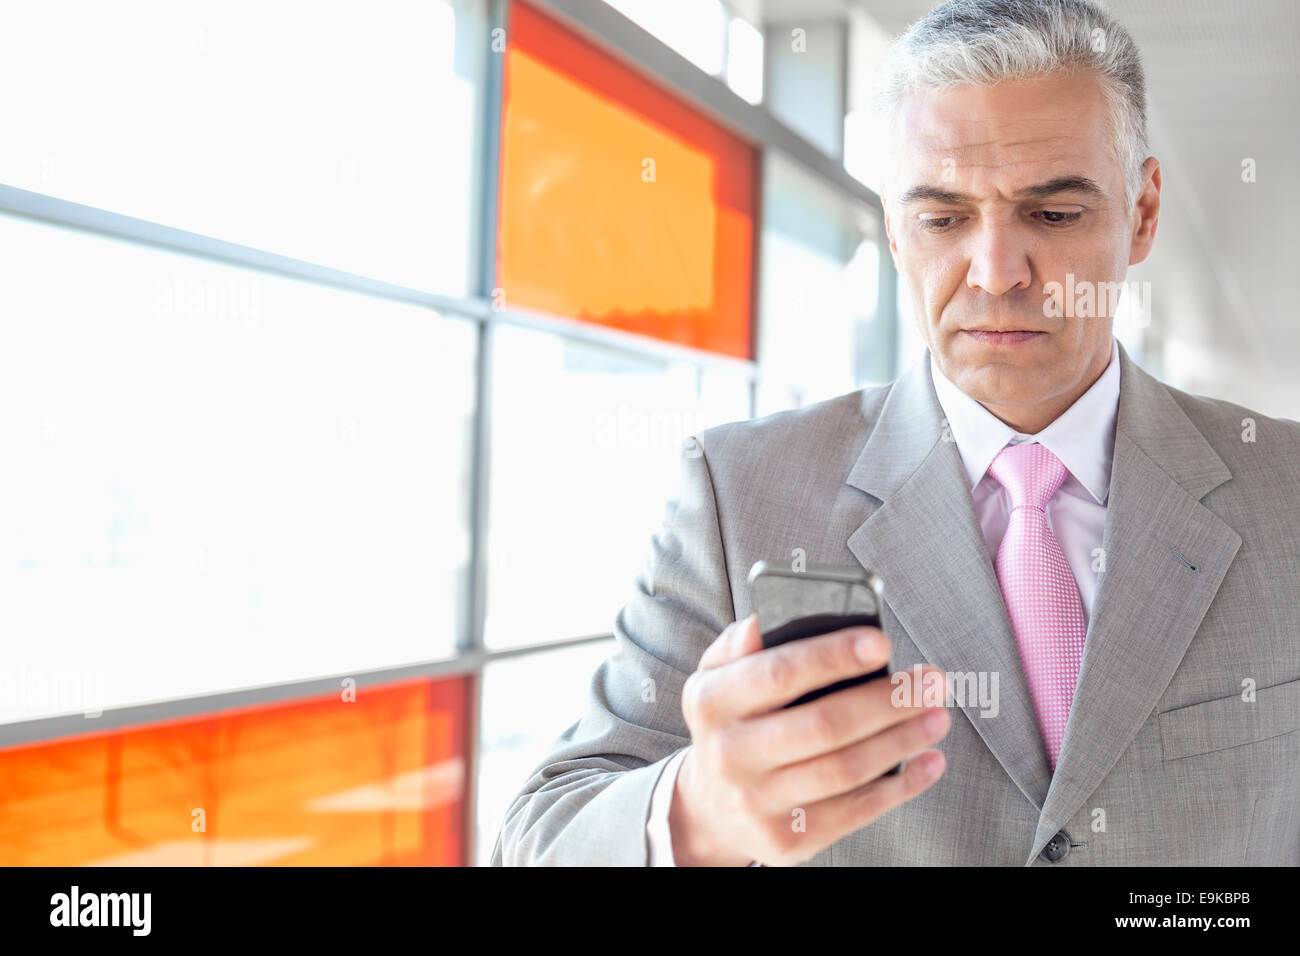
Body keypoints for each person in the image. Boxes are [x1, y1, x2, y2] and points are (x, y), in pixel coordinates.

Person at [491, 0, 1300, 866]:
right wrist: (696, 812)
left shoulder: (1284, 492)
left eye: (1053, 215)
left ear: (1141, 215)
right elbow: (540, 839)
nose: (996, 273)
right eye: (944, 219)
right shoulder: (737, 495)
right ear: (892, 228)